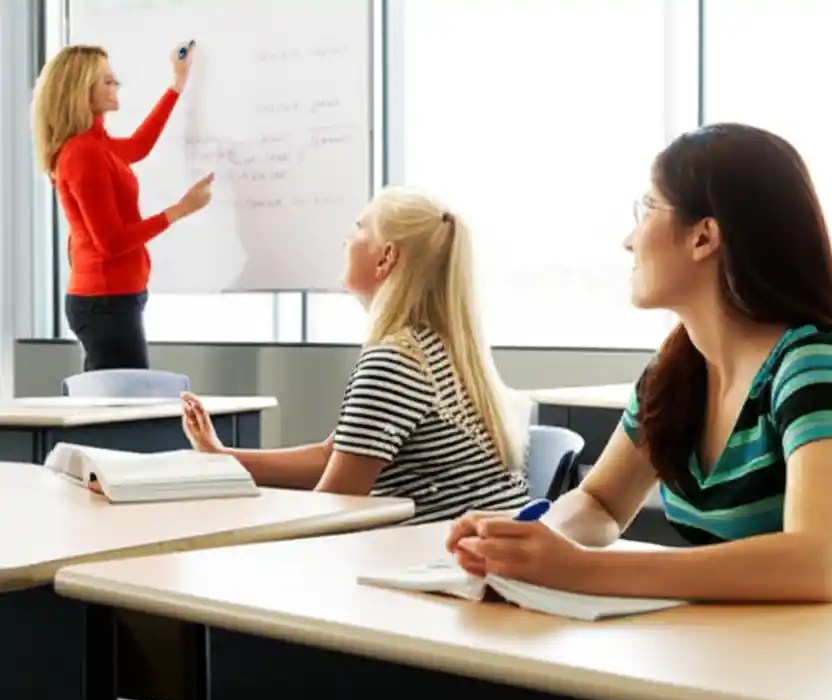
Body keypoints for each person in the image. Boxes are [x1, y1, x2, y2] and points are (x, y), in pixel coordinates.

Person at [444, 123, 832, 604]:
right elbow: (601, 503)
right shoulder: (676, 372)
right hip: (786, 655)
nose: (628, 239)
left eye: (646, 210)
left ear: (704, 236)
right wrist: (527, 544)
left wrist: (580, 570)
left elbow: (816, 564)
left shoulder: (815, 363)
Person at [181, 187, 531, 524]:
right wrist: (222, 458)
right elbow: (332, 457)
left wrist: (244, 516)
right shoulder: (437, 348)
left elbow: (334, 505)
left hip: (436, 564)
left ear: (386, 257)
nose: (346, 239)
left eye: (359, 227)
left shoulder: (396, 363)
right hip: (485, 564)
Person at [31, 42, 214, 371]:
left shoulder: (95, 145)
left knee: (117, 406)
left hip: (114, 299)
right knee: (121, 409)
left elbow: (139, 146)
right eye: (107, 81)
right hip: (105, 302)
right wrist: (180, 209)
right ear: (82, 89)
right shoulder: (82, 154)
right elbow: (111, 242)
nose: (116, 86)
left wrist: (177, 83)